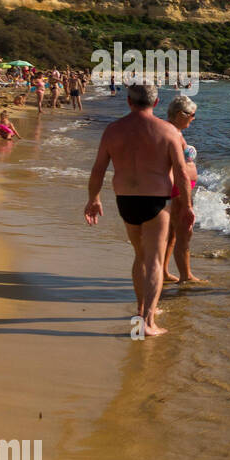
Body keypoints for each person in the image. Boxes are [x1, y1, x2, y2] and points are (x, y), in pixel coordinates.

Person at [85, 83, 191, 338]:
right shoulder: (168, 131)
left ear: (129, 102)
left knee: (140, 255)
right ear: (156, 104)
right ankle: (147, 322)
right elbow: (181, 172)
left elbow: (98, 168)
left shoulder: (112, 130)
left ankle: (141, 308)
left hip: (125, 200)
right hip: (155, 200)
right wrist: (187, 206)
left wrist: (93, 199)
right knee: (154, 260)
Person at [164, 95, 205, 284]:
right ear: (181, 114)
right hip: (180, 188)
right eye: (192, 115)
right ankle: (185, 276)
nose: (194, 118)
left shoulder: (175, 131)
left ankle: (164, 271)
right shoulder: (171, 132)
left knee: (173, 232)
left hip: (180, 186)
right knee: (184, 232)